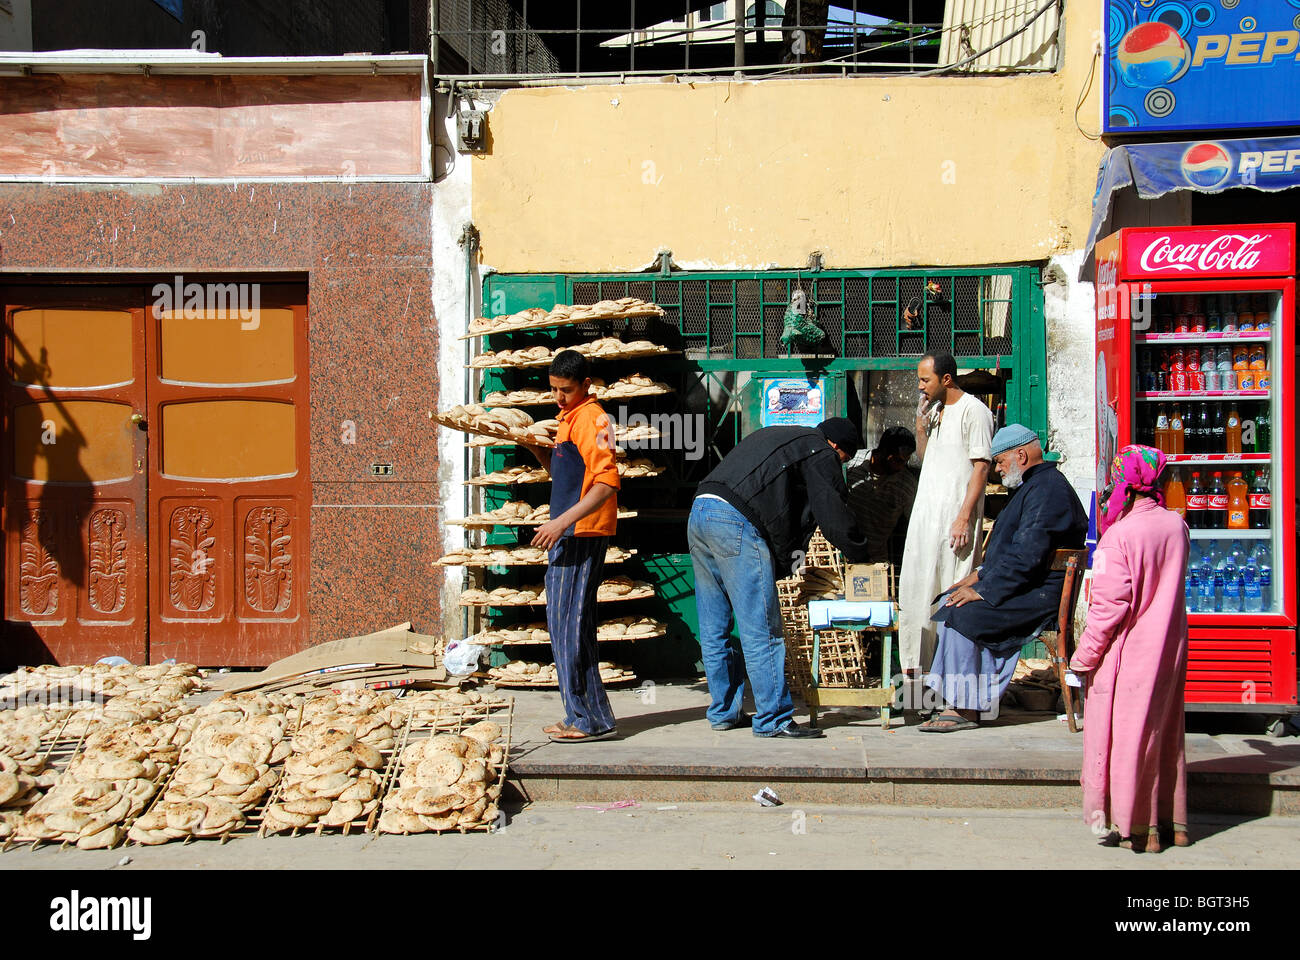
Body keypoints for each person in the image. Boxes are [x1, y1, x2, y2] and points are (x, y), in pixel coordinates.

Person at [689, 417, 871, 739]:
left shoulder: (781, 435)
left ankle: (723, 713)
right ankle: (774, 719)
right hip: (735, 521)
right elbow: (831, 513)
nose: (837, 466)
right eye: (842, 460)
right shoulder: (820, 450)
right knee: (762, 630)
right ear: (837, 447)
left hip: (701, 511)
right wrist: (861, 555)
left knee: (714, 628)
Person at [919, 424, 1088, 731]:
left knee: (960, 614)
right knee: (948, 602)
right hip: (1023, 584)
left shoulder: (1049, 490)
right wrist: (978, 576)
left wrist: (985, 590)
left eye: (999, 461)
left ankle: (967, 707)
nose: (996, 469)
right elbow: (1015, 552)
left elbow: (1028, 556)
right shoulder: (1033, 487)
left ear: (1020, 455)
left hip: (1037, 594)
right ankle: (963, 699)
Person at [1070, 445, 1190, 853]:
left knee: (1127, 738)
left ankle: (1137, 828)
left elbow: (1107, 610)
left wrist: (1082, 657)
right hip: (1170, 651)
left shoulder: (1117, 536)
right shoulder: (1177, 527)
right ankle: (1171, 824)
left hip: (1127, 655)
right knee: (1164, 735)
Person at [522, 349, 621, 743]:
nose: (558, 398)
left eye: (565, 390)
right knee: (563, 625)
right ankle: (579, 713)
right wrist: (536, 451)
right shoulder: (568, 419)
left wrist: (560, 522)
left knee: (570, 625)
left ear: (586, 385)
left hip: (582, 534)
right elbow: (567, 476)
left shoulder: (595, 420)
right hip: (567, 532)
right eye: (553, 390)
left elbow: (606, 483)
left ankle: (590, 718)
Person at [897, 352, 994, 676]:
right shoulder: (935, 411)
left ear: (946, 379)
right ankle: (919, 677)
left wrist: (964, 517)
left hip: (955, 519)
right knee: (919, 589)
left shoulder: (974, 411)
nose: (921, 387)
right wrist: (921, 427)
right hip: (927, 515)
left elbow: (981, 467)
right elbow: (925, 458)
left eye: (925, 380)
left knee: (951, 592)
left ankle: (952, 678)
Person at [846, 425, 918, 566]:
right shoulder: (852, 462)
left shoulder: (907, 485)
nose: (901, 467)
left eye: (905, 461)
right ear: (884, 452)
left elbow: (916, 524)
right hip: (841, 557)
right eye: (898, 460)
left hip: (875, 561)